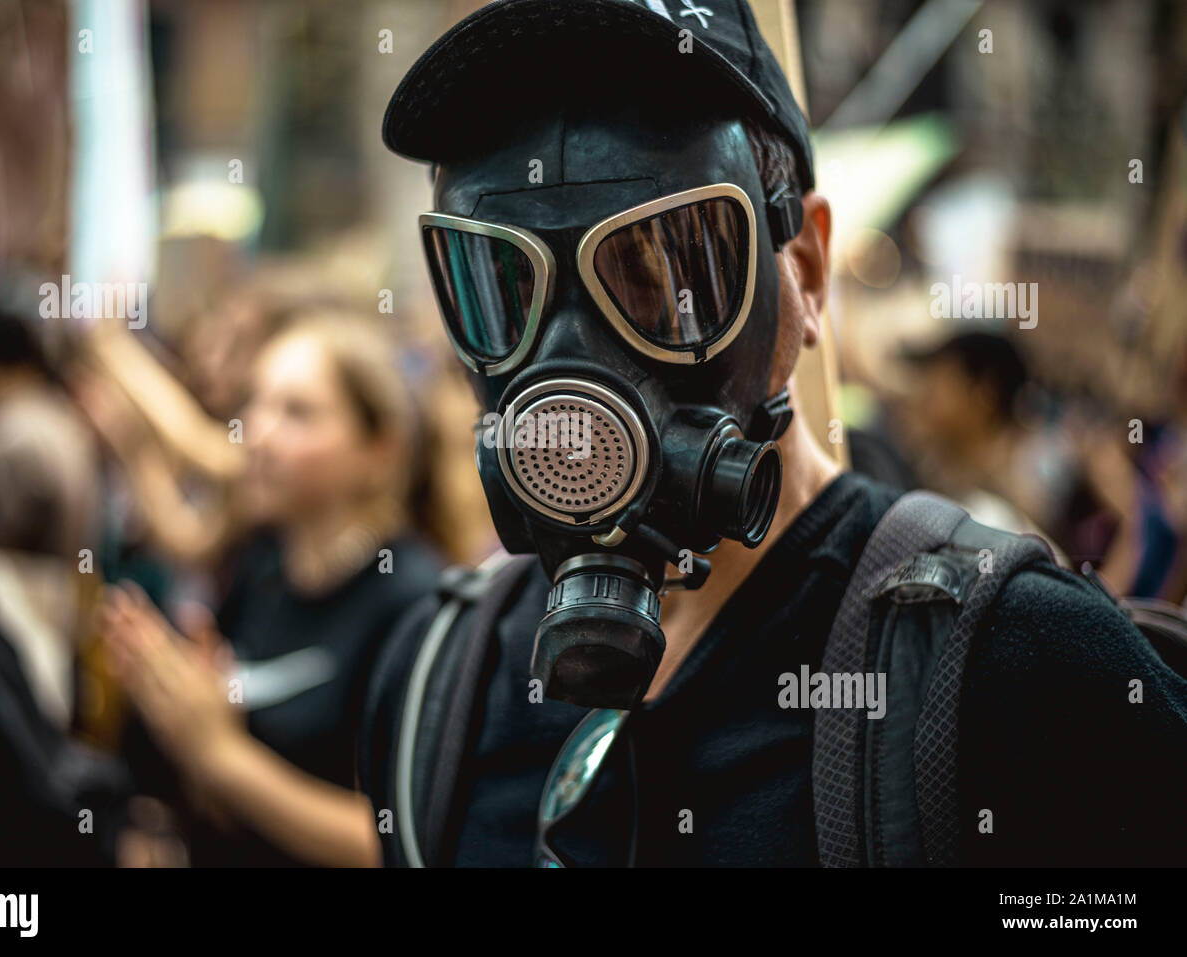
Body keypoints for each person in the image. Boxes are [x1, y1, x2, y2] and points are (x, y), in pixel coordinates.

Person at [358, 0, 1187, 867]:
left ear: (809, 268)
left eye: (662, 269)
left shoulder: (1022, 675)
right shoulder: (431, 688)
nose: (573, 367)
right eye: (504, 282)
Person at [99, 316, 442, 866]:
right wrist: (183, 717)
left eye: (297, 412)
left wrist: (220, 754)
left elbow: (398, 839)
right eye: (255, 404)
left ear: (380, 450)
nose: (256, 433)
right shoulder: (261, 566)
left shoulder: (415, 606)